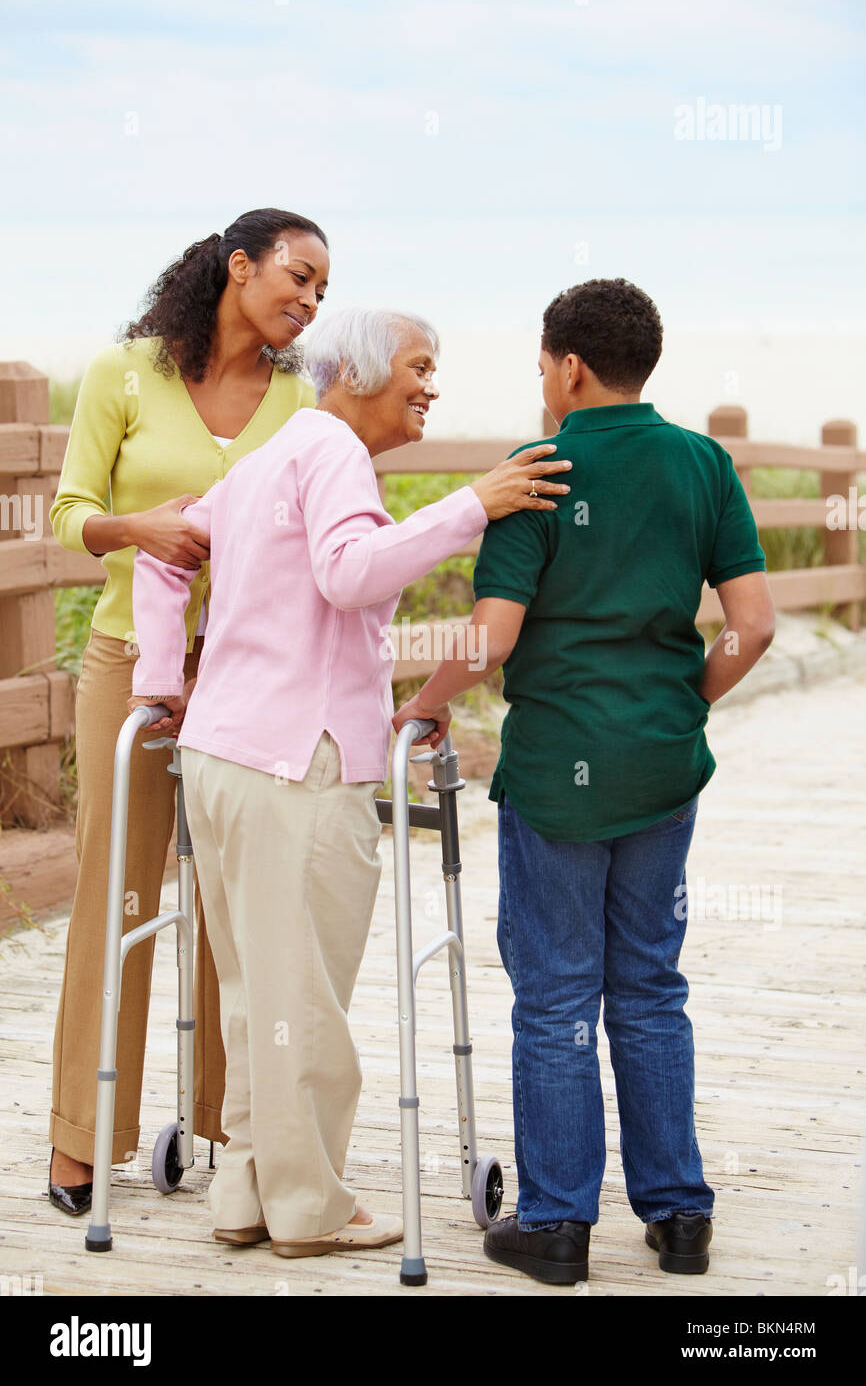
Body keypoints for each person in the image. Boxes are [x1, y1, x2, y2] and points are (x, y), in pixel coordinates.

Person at [126, 306, 573, 1255]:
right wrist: (471, 508)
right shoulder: (329, 452)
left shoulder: (262, 460)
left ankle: (250, 1195)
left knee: (256, 993)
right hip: (298, 764)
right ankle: (308, 1209)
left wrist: (160, 679)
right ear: (359, 374)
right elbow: (346, 573)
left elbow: (163, 553)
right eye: (419, 366)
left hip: (222, 758)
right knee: (306, 1000)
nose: (431, 386)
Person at [394, 278, 775, 1284]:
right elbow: (757, 624)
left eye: (539, 369)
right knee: (649, 982)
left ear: (567, 367)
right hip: (661, 760)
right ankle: (679, 1217)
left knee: (557, 991)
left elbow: (489, 639)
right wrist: (683, 700)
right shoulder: (701, 463)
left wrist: (423, 702)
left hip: (559, 770)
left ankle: (558, 1225)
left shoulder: (540, 470)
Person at [47, 208, 330, 1213]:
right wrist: (139, 527)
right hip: (132, 665)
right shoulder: (125, 374)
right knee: (113, 895)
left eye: (321, 292)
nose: (306, 299)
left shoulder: (305, 399)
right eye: (295, 275)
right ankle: (83, 1137)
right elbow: (68, 510)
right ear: (237, 264)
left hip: (251, 674)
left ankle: (231, 1126)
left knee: (238, 904)